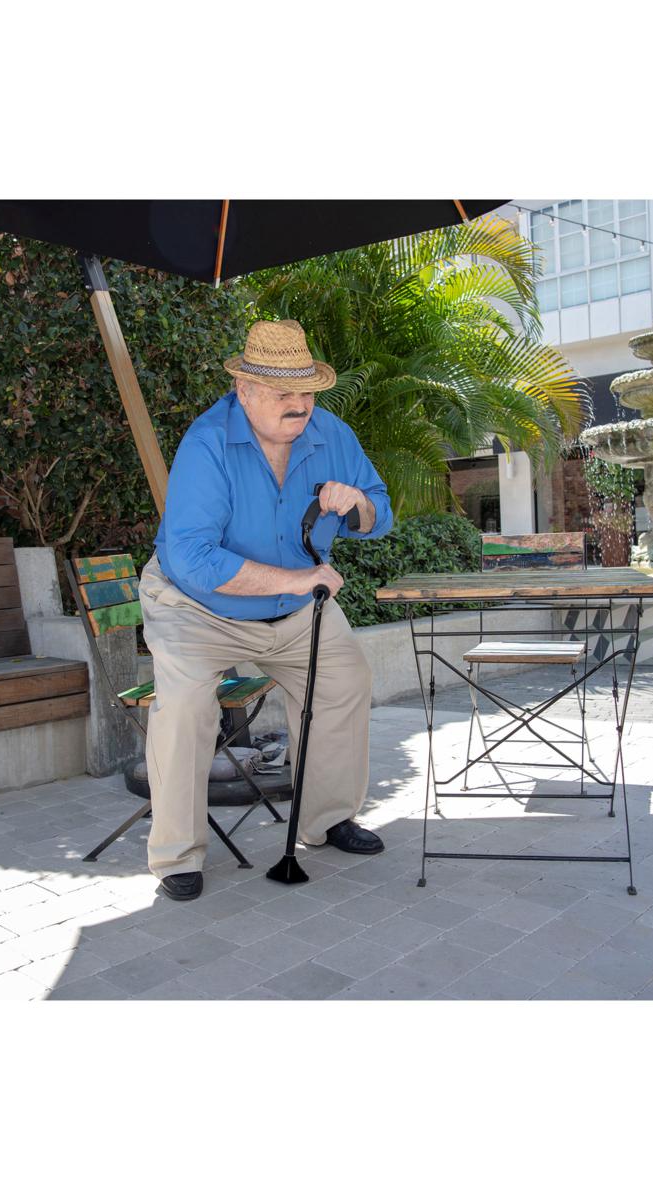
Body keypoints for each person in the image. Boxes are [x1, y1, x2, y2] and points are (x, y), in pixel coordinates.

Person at [139, 319, 394, 900]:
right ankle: (176, 853)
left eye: (307, 391)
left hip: (294, 609)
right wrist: (299, 577)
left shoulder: (332, 435)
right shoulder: (207, 443)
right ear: (245, 390)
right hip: (197, 609)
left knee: (345, 679)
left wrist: (357, 504)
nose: (299, 405)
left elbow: (380, 512)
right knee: (185, 707)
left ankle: (327, 819)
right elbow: (192, 558)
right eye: (283, 393)